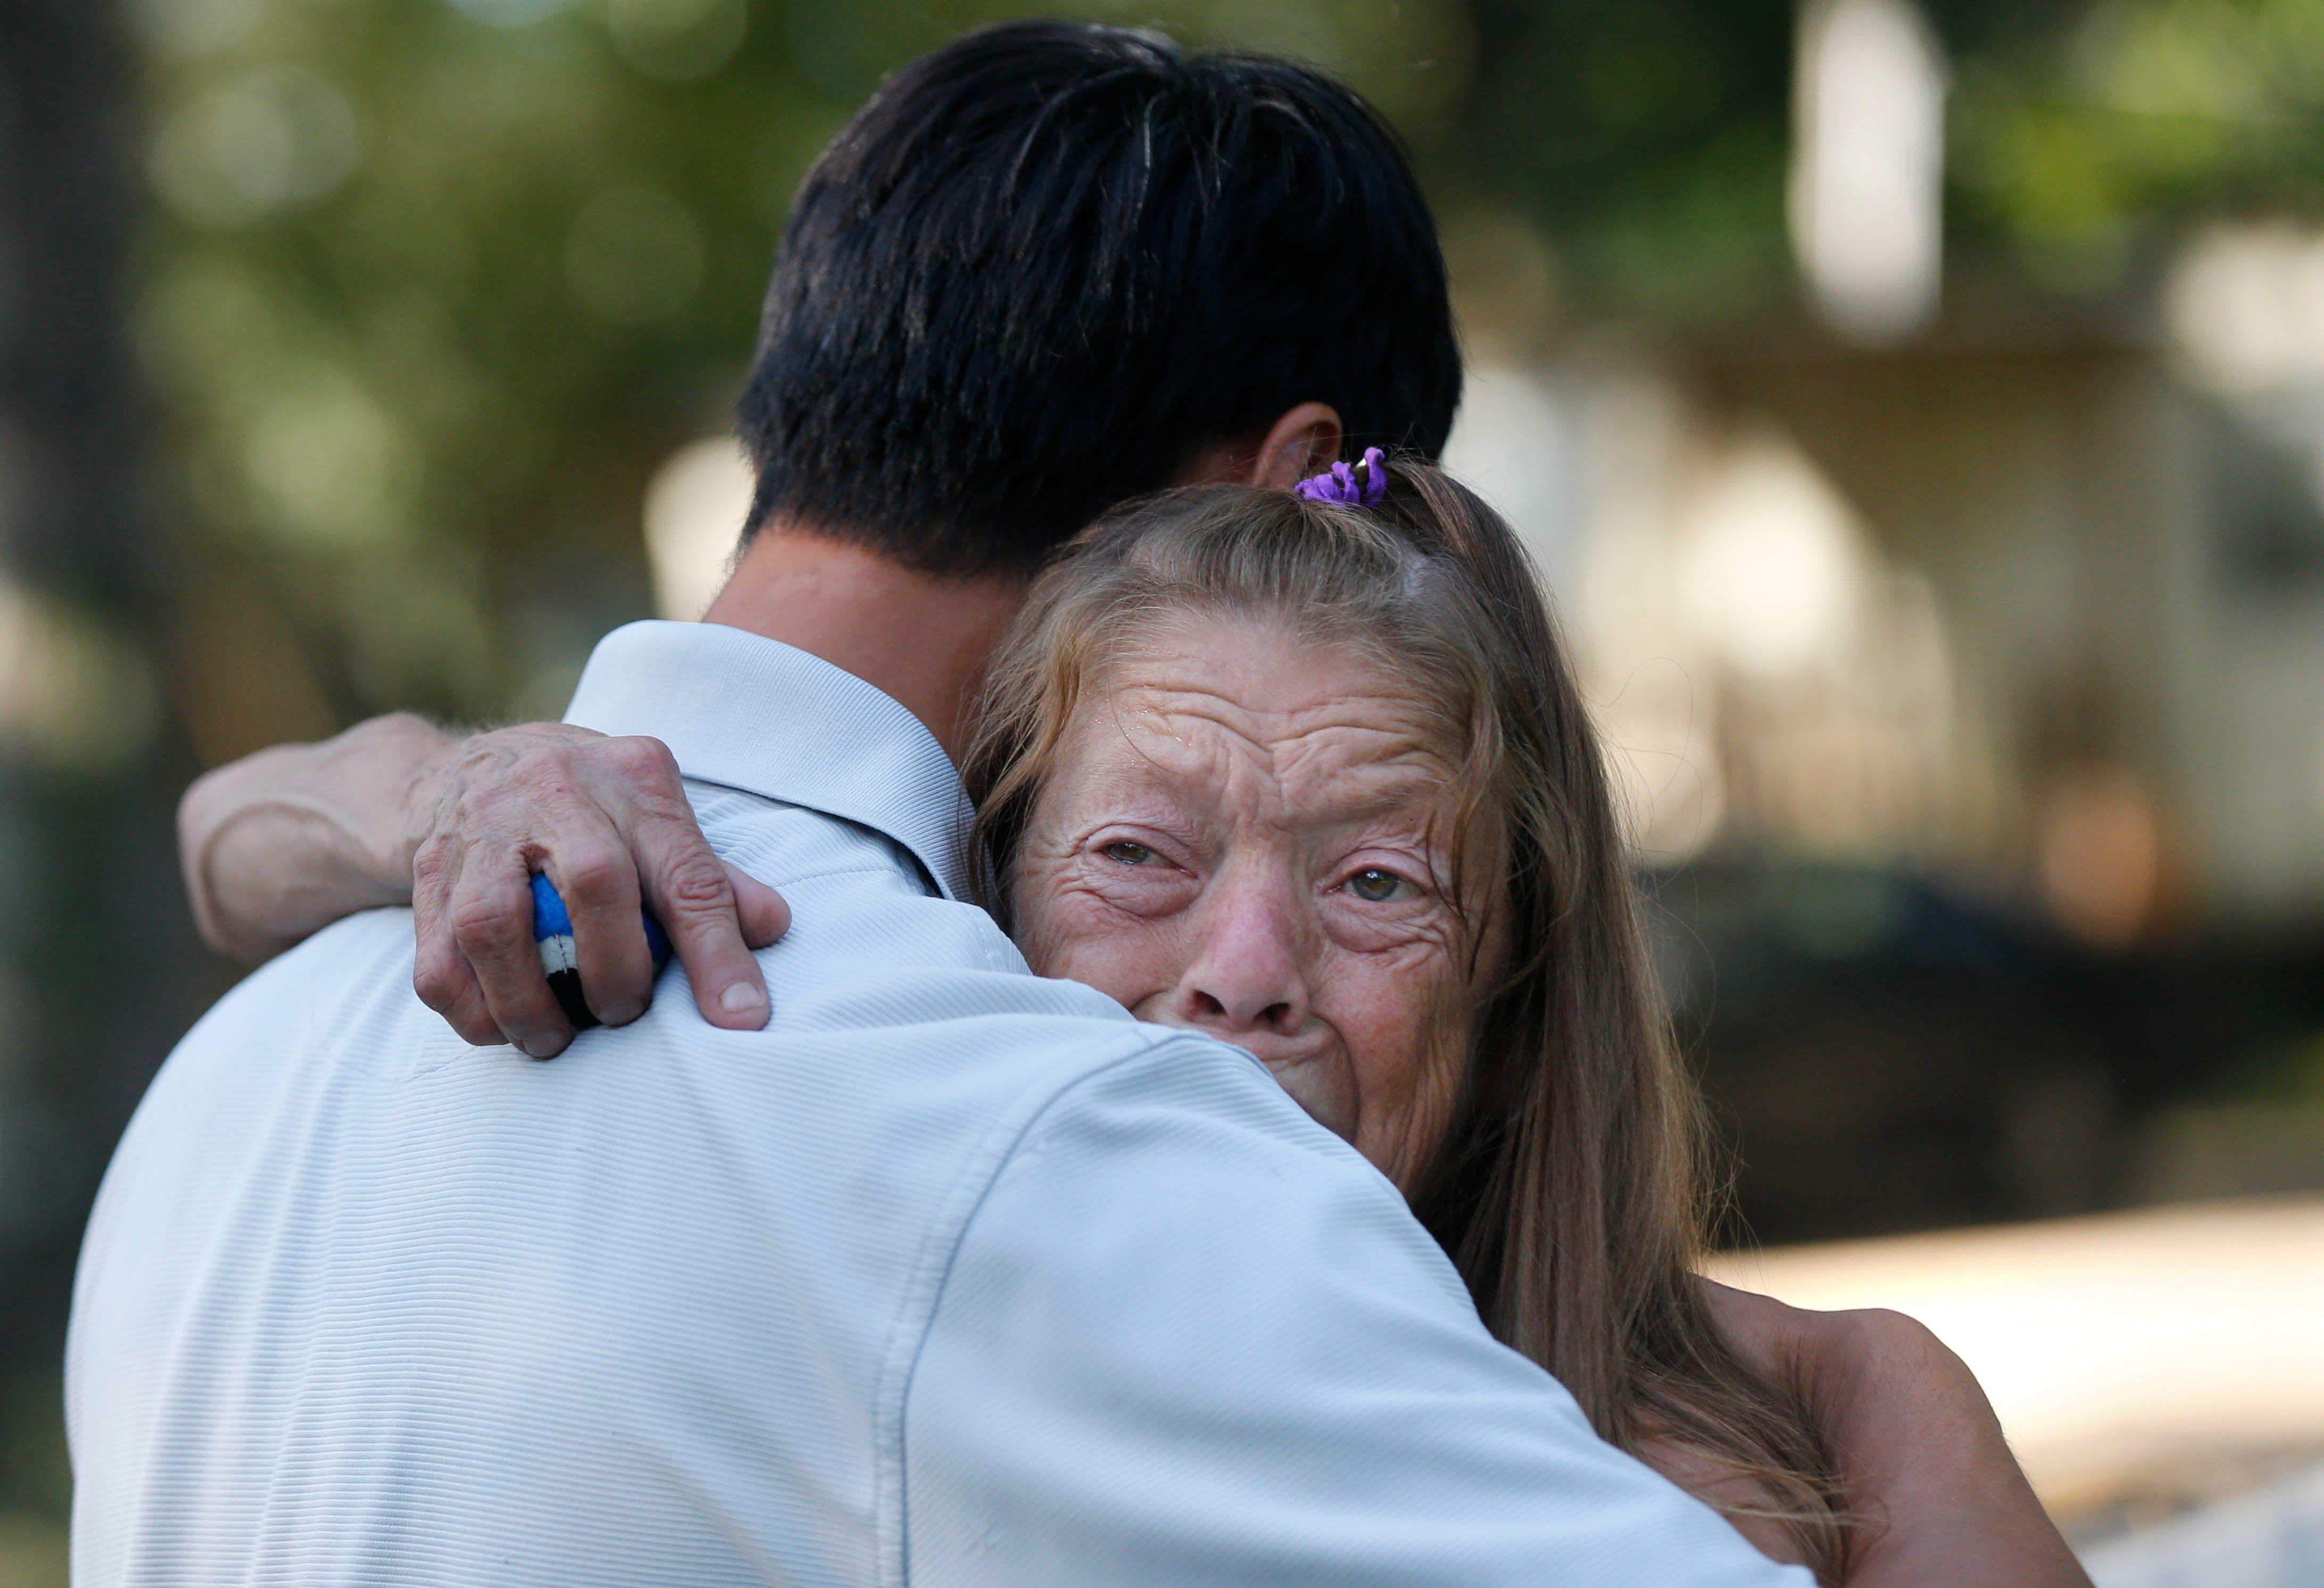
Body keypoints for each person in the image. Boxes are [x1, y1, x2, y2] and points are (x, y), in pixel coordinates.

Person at [80, 22, 2086, 1588]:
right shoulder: (1075, 1147)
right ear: (1276, 487)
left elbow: (228, 841)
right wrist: (1890, 1383)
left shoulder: (242, 1071)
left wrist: (412, 777)